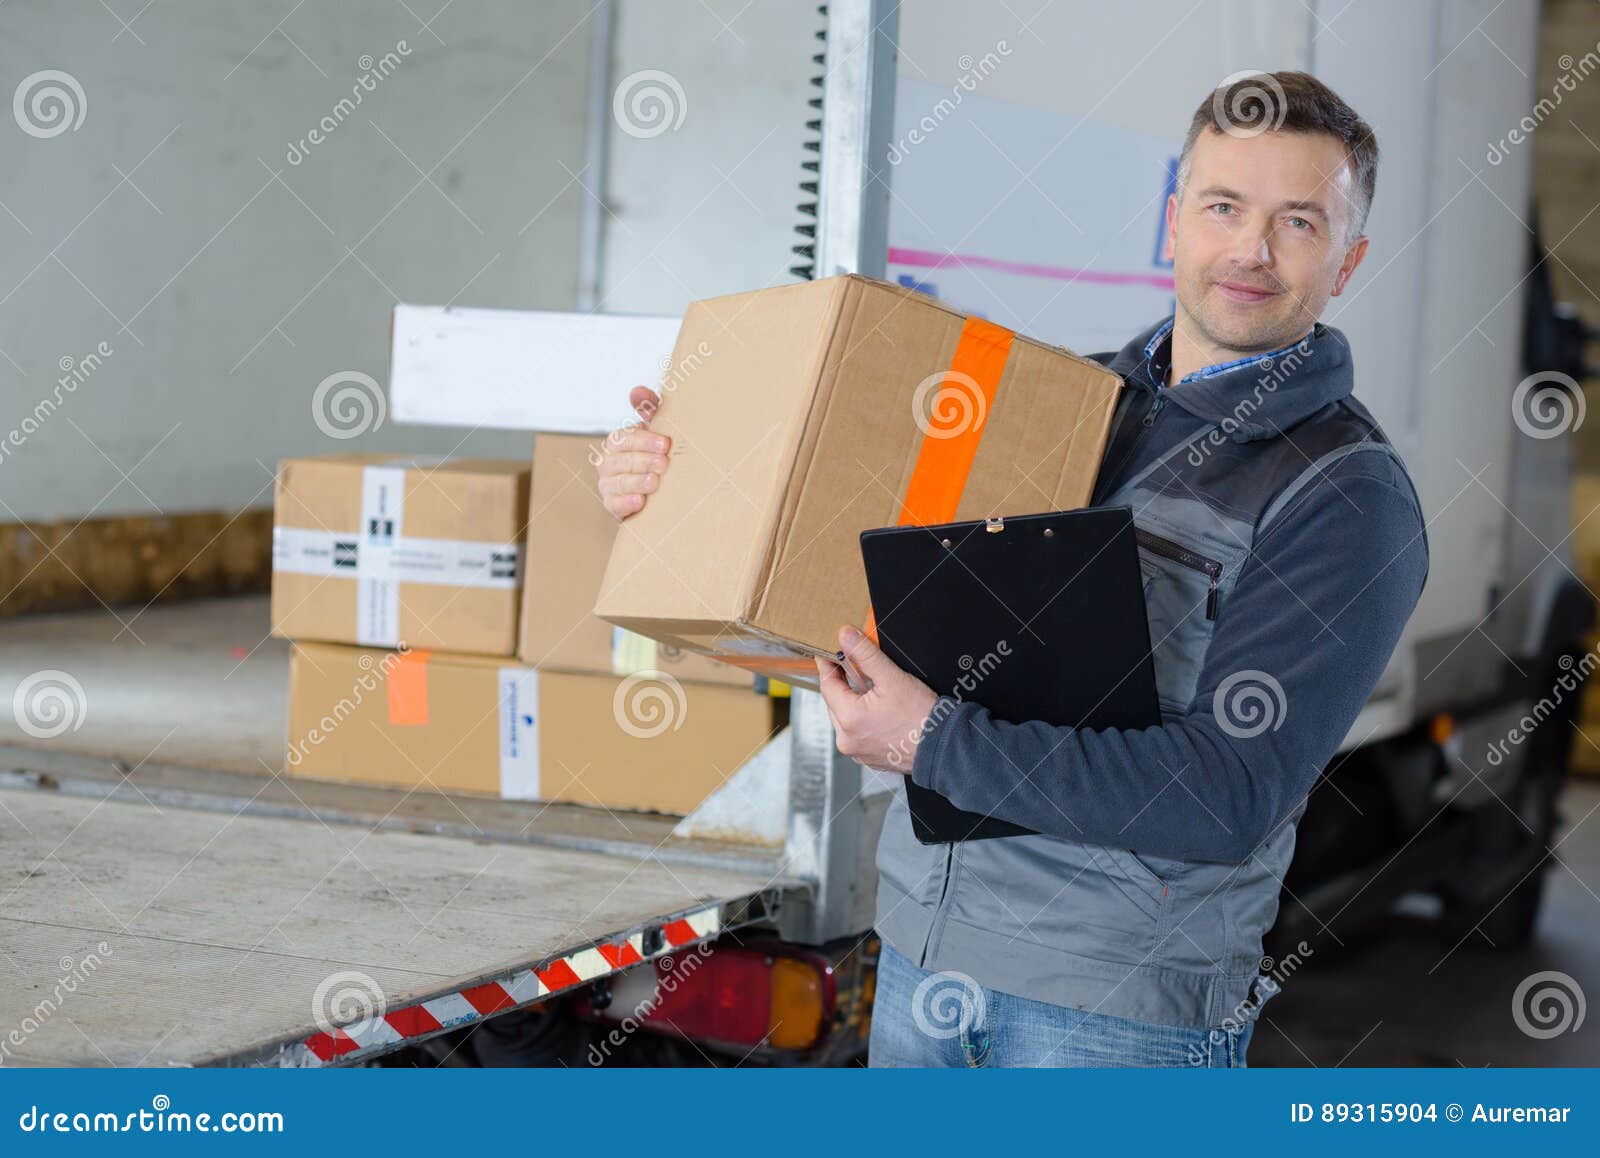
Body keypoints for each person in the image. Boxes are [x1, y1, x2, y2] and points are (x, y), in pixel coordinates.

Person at [595, 71, 1427, 1068]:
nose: (1249, 249)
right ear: (1173, 223)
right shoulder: (1058, 404)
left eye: (1298, 223)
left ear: (1349, 261)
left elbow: (1222, 793)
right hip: (918, 957)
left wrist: (928, 739)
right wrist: (678, 482)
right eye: (1223, 207)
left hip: (1112, 1014)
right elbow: (830, 566)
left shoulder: (1343, 495)